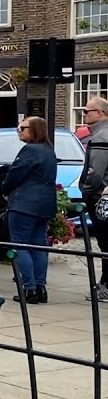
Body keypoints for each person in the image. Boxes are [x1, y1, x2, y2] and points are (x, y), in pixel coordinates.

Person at [2, 117, 57, 304]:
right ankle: (41, 288)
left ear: (35, 130)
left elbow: (15, 174)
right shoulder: (49, 151)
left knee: (21, 245)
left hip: (24, 204)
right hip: (44, 204)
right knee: (39, 246)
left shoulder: (30, 150)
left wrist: (4, 189)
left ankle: (29, 289)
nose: (19, 130)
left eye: (23, 128)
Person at [78, 95, 108, 302]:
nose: (84, 114)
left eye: (87, 111)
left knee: (105, 245)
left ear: (99, 113)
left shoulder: (101, 137)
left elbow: (96, 172)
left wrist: (86, 190)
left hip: (101, 199)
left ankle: (105, 286)